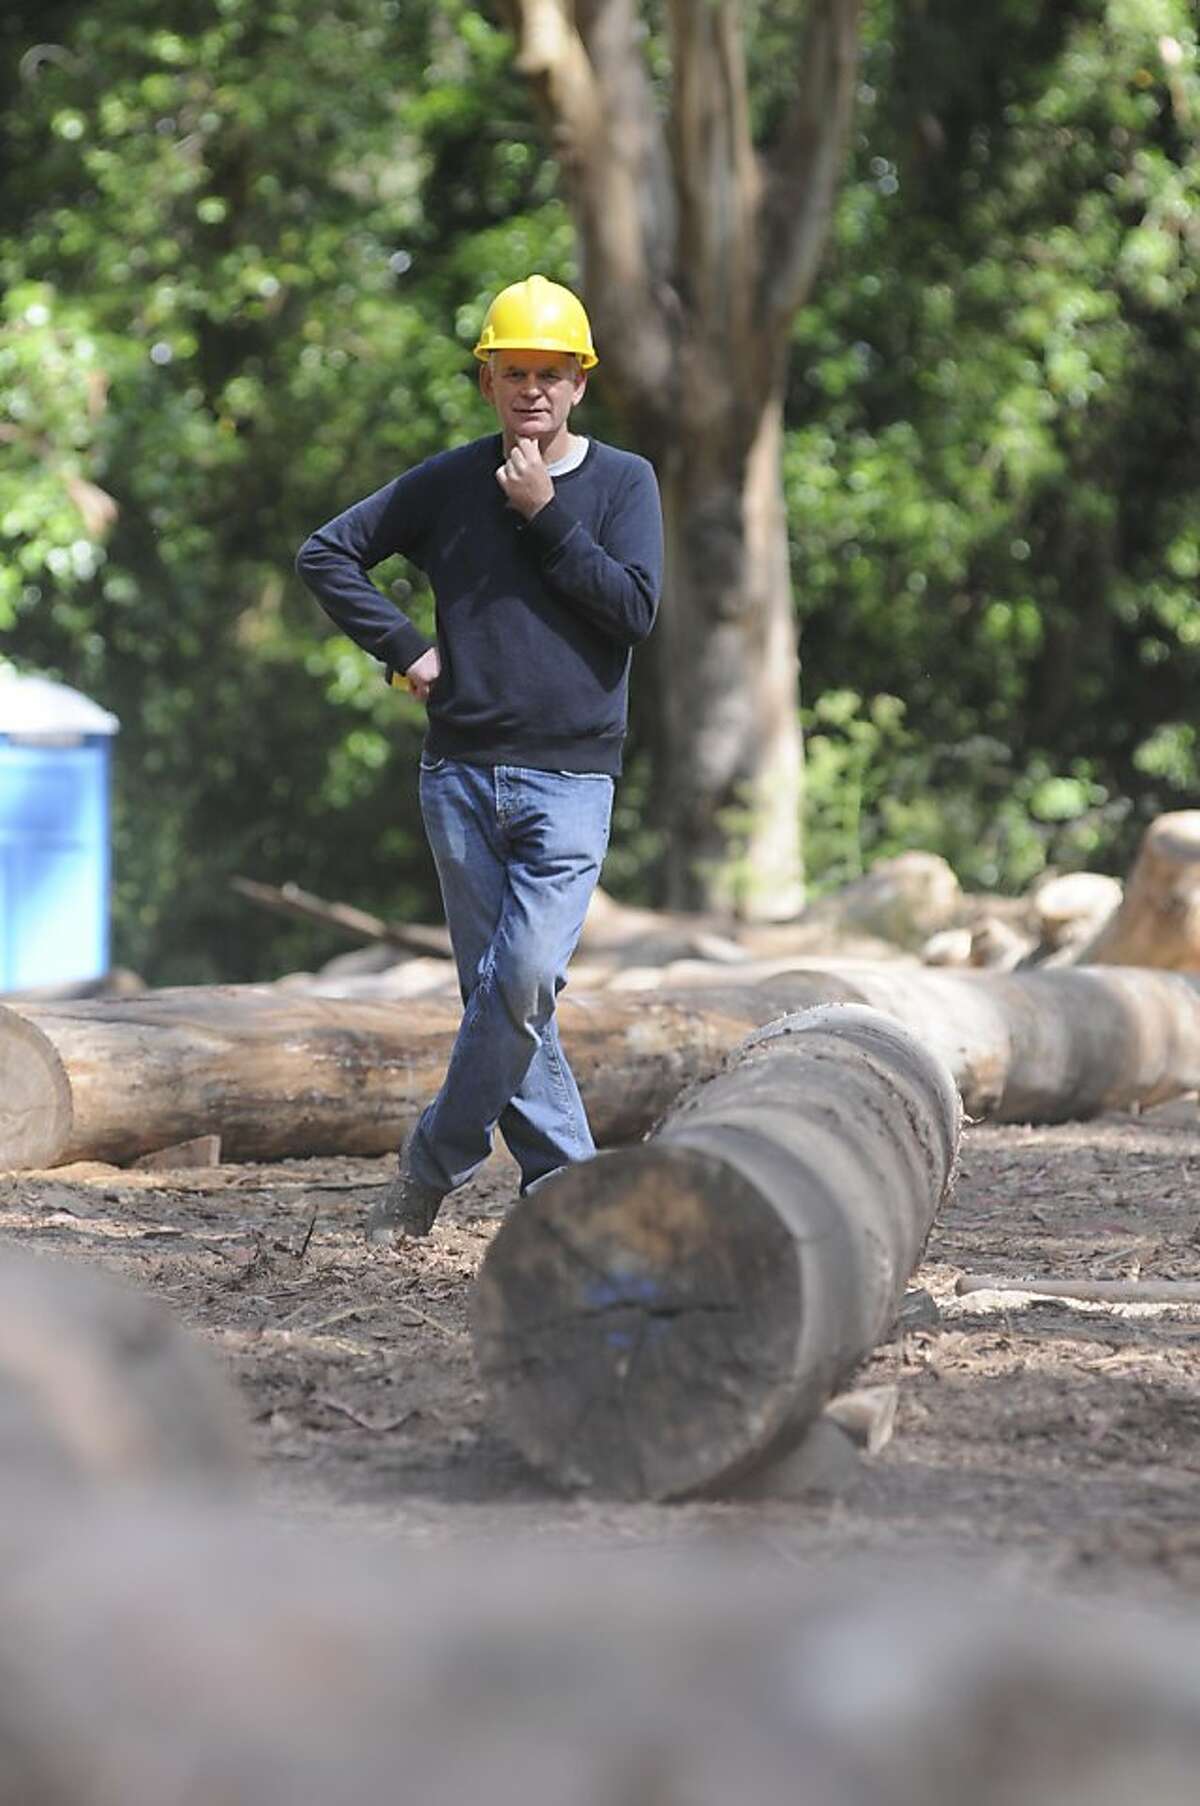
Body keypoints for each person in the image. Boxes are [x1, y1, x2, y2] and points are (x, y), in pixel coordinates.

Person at [295, 275, 664, 1242]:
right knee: (500, 998)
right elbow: (327, 554)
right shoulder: (450, 481)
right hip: (458, 777)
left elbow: (633, 611)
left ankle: (428, 1168)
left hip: (572, 780)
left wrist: (546, 514)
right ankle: (567, 1197)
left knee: (523, 980)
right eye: (514, 372)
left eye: (551, 373)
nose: (532, 390)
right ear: (488, 381)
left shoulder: (624, 482)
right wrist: (404, 649)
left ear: (580, 382)